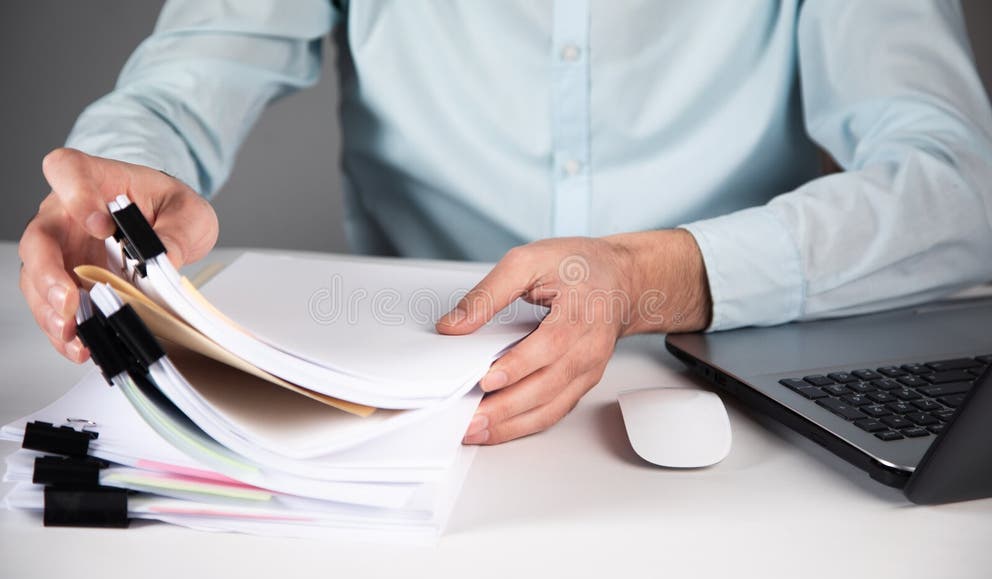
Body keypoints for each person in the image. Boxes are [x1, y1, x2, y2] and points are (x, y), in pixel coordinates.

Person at [18, 1, 992, 446]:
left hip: (742, 401)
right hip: (406, 408)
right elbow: (193, 73)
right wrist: (128, 172)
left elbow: (957, 184)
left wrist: (646, 275)